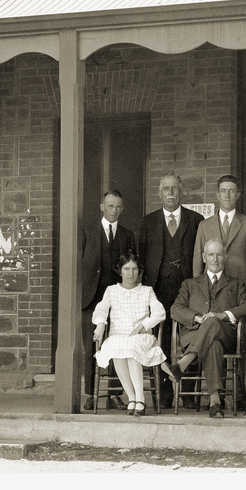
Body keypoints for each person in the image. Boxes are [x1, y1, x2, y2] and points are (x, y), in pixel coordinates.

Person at [164, 239, 246, 418]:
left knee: (213, 320)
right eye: (211, 254)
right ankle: (215, 403)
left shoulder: (236, 284)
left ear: (225, 257)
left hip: (226, 334)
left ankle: (182, 365)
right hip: (194, 334)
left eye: (219, 254)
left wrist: (222, 315)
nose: (215, 258)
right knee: (213, 344)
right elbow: (175, 309)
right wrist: (197, 318)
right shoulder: (190, 284)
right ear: (204, 257)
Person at [139, 172, 205, 408]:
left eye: (174, 188)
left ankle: (188, 396)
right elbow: (142, 256)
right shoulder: (148, 222)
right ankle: (164, 395)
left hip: (188, 288)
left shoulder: (196, 220)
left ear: (181, 192)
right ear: (159, 193)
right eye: (166, 188)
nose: (170, 193)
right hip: (158, 288)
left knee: (190, 337)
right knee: (160, 340)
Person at [79, 189, 136, 411]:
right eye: (110, 206)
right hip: (91, 298)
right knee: (91, 346)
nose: (114, 210)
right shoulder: (86, 231)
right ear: (102, 207)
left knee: (118, 346)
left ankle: (113, 394)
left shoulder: (126, 235)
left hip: (118, 302)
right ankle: (91, 394)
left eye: (118, 207)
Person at [91, 252, 167, 416]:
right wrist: (100, 324)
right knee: (117, 346)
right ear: (120, 271)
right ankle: (132, 397)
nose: (130, 273)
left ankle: (140, 398)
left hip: (141, 337)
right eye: (126, 269)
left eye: (134, 269)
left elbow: (159, 313)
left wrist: (142, 326)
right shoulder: (111, 291)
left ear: (139, 271)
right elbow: (102, 309)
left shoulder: (147, 291)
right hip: (118, 334)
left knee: (131, 347)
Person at [192, 175, 246, 302]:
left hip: (241, 287)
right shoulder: (204, 225)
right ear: (218, 195)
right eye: (223, 191)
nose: (227, 195)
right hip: (212, 287)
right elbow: (197, 265)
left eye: (232, 191)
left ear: (238, 195)